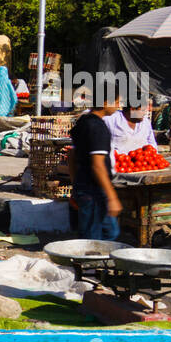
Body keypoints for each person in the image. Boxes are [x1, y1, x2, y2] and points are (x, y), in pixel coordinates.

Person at [69, 98, 124, 241]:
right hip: (93, 190)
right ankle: (89, 261)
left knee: (109, 232)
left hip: (84, 185)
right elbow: (98, 166)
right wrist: (112, 197)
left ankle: (97, 259)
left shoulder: (83, 122)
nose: (118, 105)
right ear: (105, 102)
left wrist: (75, 186)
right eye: (116, 101)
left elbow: (72, 157)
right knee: (93, 238)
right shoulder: (97, 127)